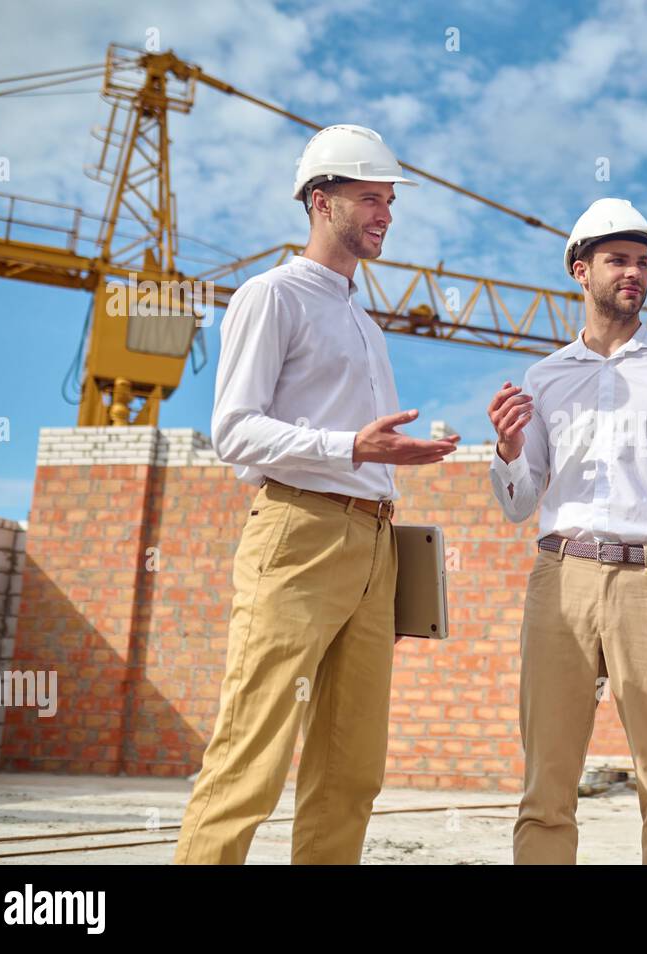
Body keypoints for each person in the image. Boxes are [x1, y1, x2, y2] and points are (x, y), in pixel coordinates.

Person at [174, 124, 460, 864]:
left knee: (352, 770)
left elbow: (365, 446)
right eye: (370, 199)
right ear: (320, 200)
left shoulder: (364, 324)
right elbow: (234, 431)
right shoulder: (271, 296)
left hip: (372, 544)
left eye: (390, 203)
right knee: (251, 755)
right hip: (297, 534)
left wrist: (399, 461)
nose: (385, 216)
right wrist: (351, 447)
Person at [487, 198, 647, 864]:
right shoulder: (545, 378)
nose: (633, 273)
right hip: (561, 580)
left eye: (641, 262)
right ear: (581, 271)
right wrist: (510, 451)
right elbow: (520, 504)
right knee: (545, 786)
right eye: (617, 261)